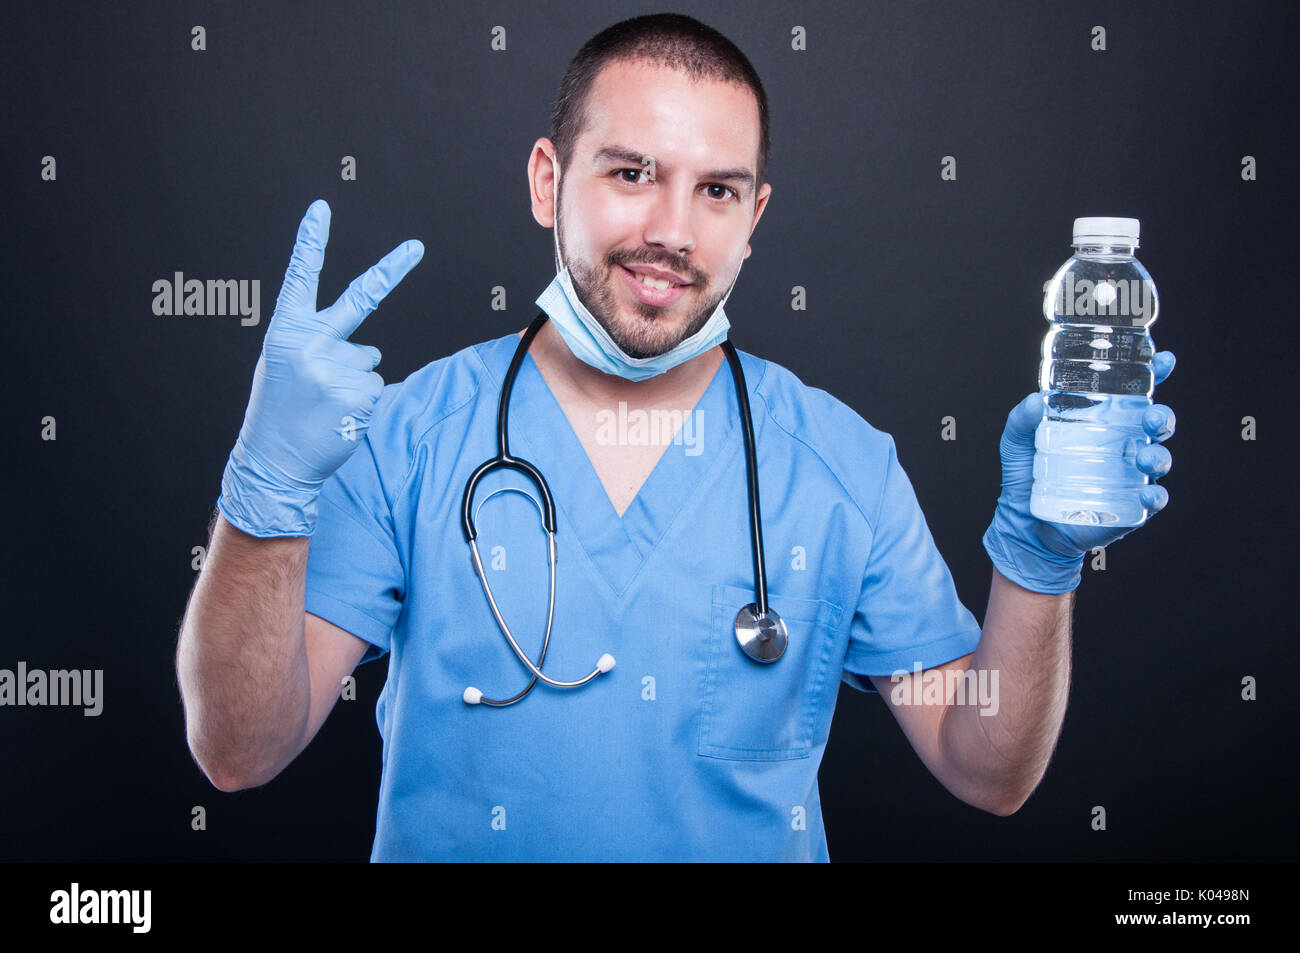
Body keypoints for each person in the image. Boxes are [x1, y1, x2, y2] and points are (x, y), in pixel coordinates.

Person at [175, 13, 1177, 861]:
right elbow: (239, 751)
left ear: (754, 219)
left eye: (717, 190)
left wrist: (1037, 563)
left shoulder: (839, 463)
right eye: (631, 172)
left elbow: (986, 768)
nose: (672, 230)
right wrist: (263, 491)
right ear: (545, 178)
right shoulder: (408, 436)